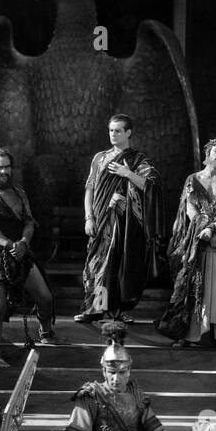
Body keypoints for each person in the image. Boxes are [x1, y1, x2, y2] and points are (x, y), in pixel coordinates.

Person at [0, 147, 58, 358]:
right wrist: (8, 244)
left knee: (45, 297)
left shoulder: (20, 194)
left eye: (7, 167)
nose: (4, 171)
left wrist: (24, 242)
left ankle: (46, 332)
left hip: (19, 249)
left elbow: (29, 222)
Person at [157, 138, 216, 350]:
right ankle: (192, 335)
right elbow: (189, 207)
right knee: (196, 288)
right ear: (207, 154)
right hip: (199, 239)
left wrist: (211, 229)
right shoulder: (193, 179)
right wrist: (201, 226)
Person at [78, 114, 163, 323]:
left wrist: (128, 173)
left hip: (126, 224)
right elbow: (90, 189)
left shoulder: (138, 160)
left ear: (128, 133)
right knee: (98, 264)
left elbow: (151, 186)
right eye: (111, 130)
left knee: (119, 264)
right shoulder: (100, 158)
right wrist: (89, 217)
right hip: (100, 219)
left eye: (118, 131)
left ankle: (118, 310)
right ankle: (96, 309)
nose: (113, 135)